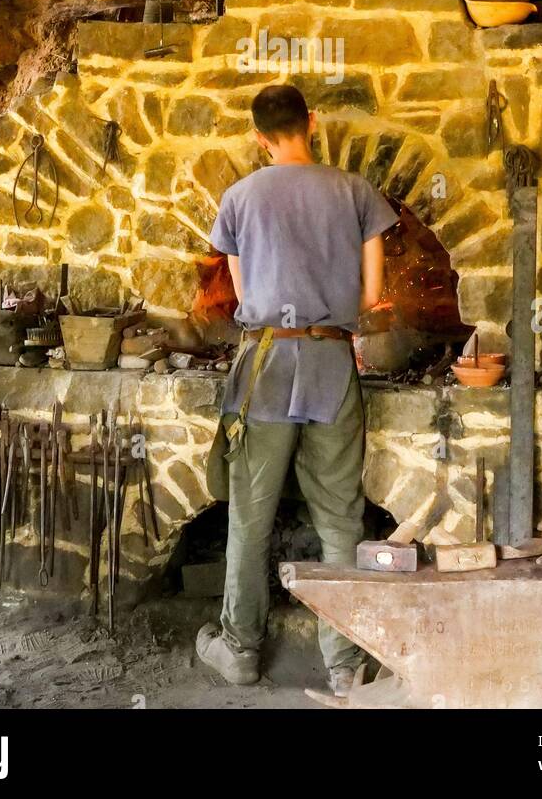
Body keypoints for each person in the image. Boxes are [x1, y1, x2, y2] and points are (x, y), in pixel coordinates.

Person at [196, 83, 397, 696]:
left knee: (251, 516)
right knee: (340, 519)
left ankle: (240, 651)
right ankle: (345, 665)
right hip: (333, 363)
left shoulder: (238, 197)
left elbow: (242, 293)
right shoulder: (356, 192)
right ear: (311, 121)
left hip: (265, 366)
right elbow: (370, 296)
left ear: (259, 135)